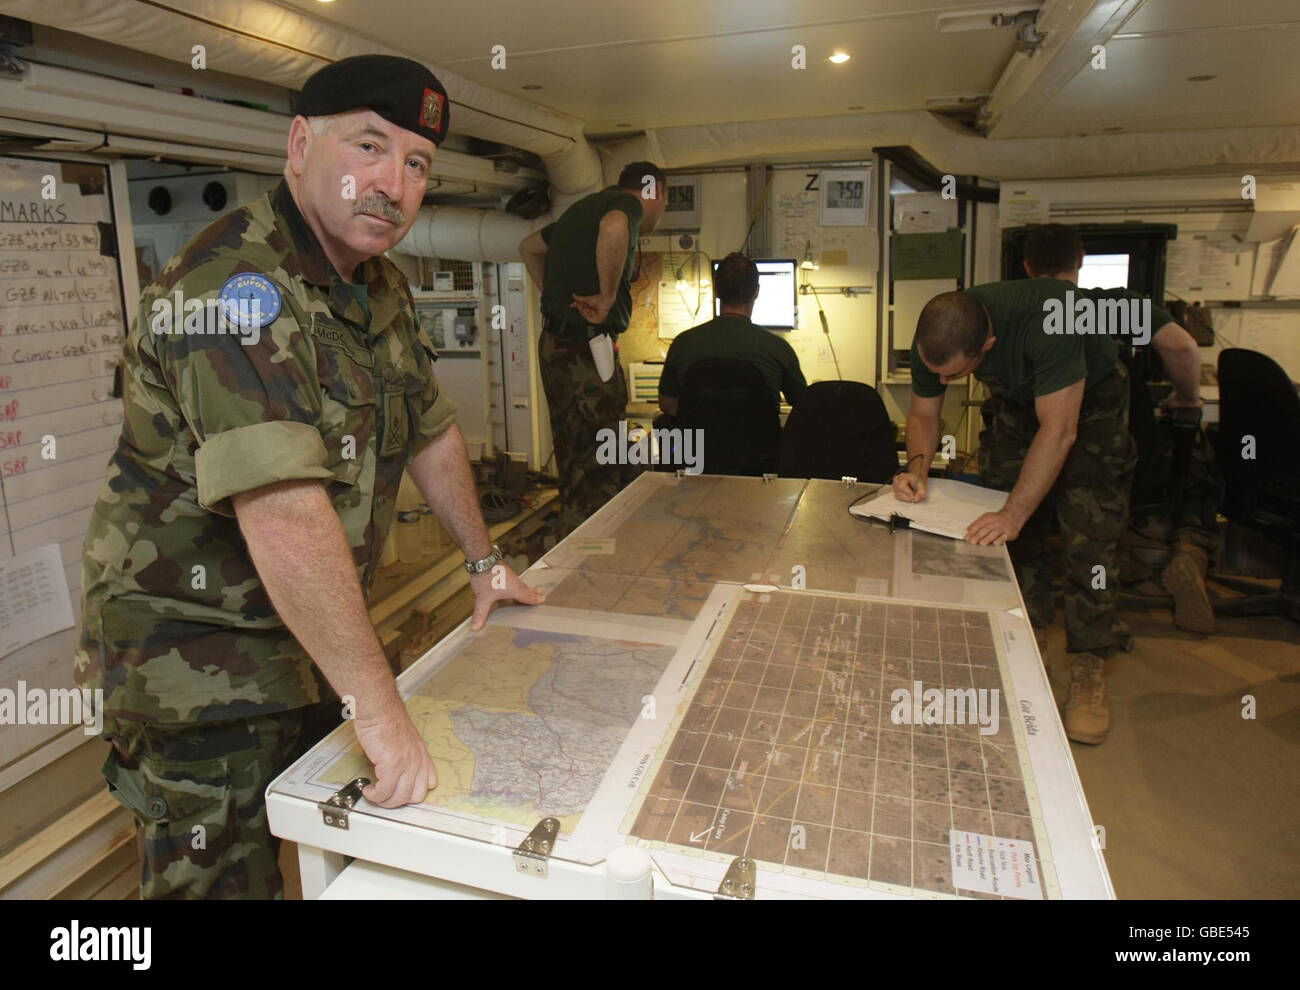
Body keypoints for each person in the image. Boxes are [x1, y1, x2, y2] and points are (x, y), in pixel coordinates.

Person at [75, 54, 544, 899]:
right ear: (299, 145)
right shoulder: (231, 289)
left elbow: (430, 429)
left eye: (415, 164)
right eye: (369, 146)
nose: (392, 184)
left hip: (301, 639)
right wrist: (378, 707)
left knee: (321, 857)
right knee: (218, 887)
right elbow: (283, 511)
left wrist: (486, 562)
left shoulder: (376, 288)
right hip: (194, 662)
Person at [893, 272, 1191, 744]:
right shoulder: (939, 333)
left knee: (1088, 534)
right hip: (1018, 403)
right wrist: (917, 468)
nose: (944, 381)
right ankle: (1023, 644)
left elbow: (1060, 430)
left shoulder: (1051, 319)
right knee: (1003, 535)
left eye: (955, 374)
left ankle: (1089, 662)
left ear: (988, 343)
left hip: (1090, 406)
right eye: (939, 373)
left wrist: (1016, 511)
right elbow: (925, 414)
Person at [1023, 224, 1218, 634]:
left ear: (1027, 267)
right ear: (1079, 263)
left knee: (1025, 539)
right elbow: (1182, 346)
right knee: (1097, 542)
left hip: (1029, 453)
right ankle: (1183, 555)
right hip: (1099, 454)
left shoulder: (1013, 308)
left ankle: (1025, 630)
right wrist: (1187, 397)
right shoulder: (1103, 307)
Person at [517, 161, 667, 537]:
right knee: (603, 460)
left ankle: (573, 544)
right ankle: (593, 558)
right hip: (589, 350)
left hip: (556, 346)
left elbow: (529, 248)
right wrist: (607, 297)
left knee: (574, 455)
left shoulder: (581, 210)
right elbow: (614, 227)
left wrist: (552, 297)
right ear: (656, 193)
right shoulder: (625, 208)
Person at [657, 252, 807, 416]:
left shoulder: (683, 343)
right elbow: (804, 404)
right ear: (756, 292)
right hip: (759, 441)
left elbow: (667, 405)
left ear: (716, 291)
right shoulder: (779, 348)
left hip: (700, 441)